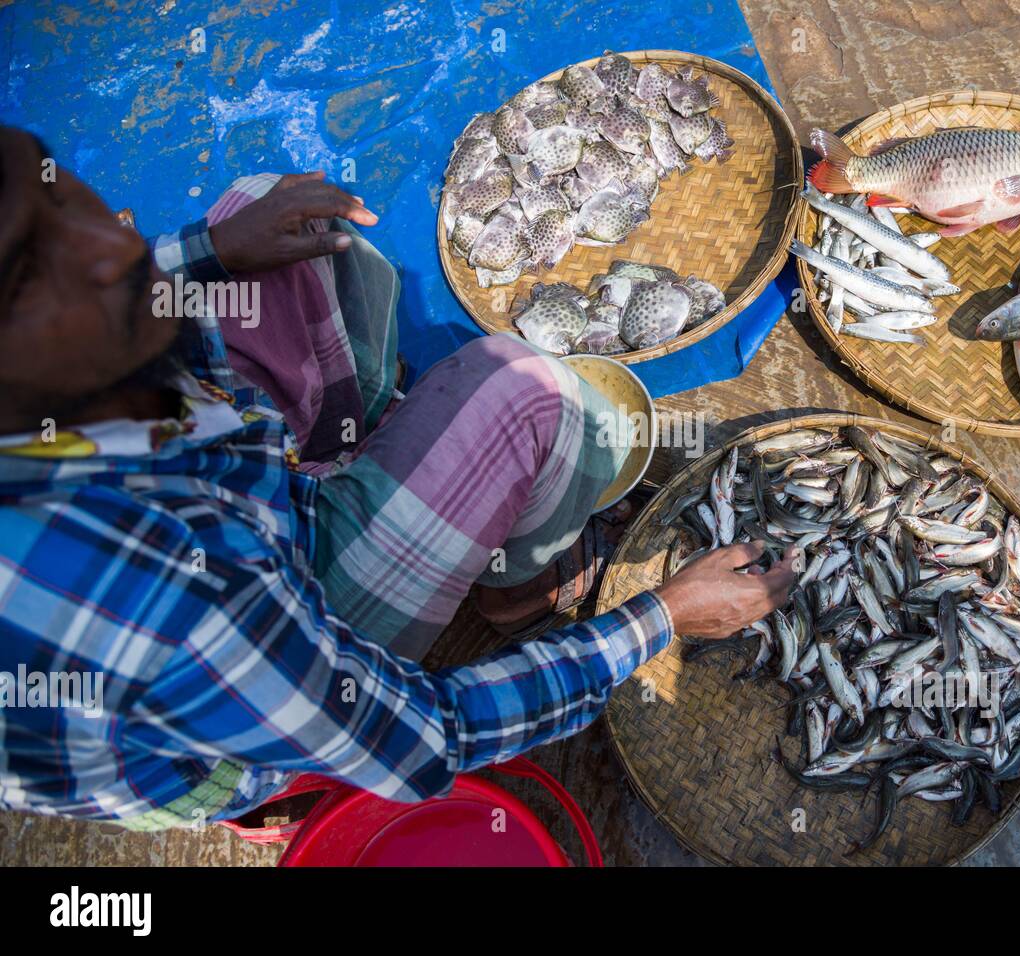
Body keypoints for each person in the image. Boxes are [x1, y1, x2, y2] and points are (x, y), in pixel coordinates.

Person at [0, 125, 797, 829]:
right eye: (27, 276)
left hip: (245, 482)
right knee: (529, 395)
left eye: (54, 196)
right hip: (265, 644)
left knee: (272, 211)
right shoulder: (156, 596)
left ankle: (379, 441)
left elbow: (144, 273)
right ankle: (513, 590)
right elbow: (428, 735)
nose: (116, 246)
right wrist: (663, 616)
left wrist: (207, 252)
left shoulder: (55, 382)